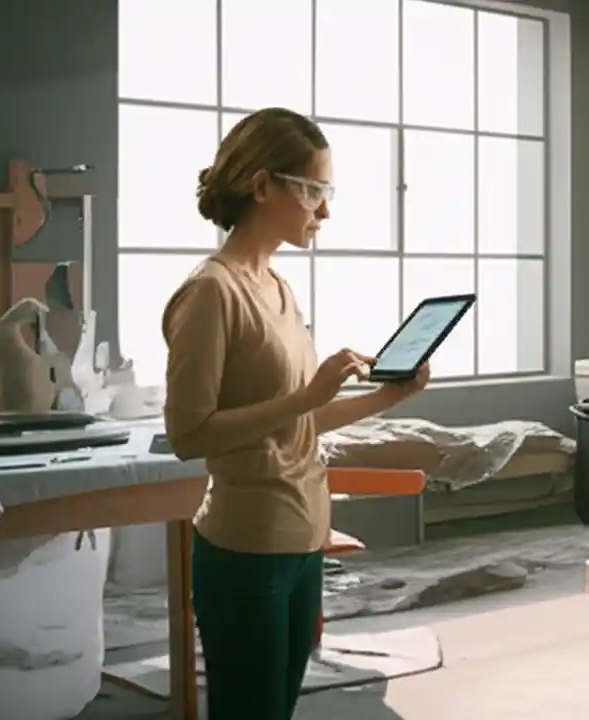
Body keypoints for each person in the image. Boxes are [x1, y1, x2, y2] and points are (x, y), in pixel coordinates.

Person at [161, 107, 428, 719]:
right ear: (262, 186)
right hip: (246, 546)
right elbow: (187, 434)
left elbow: (292, 424)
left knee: (278, 709)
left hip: (304, 538)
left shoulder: (278, 287)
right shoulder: (211, 292)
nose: (325, 211)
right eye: (315, 191)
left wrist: (385, 398)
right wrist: (309, 395)